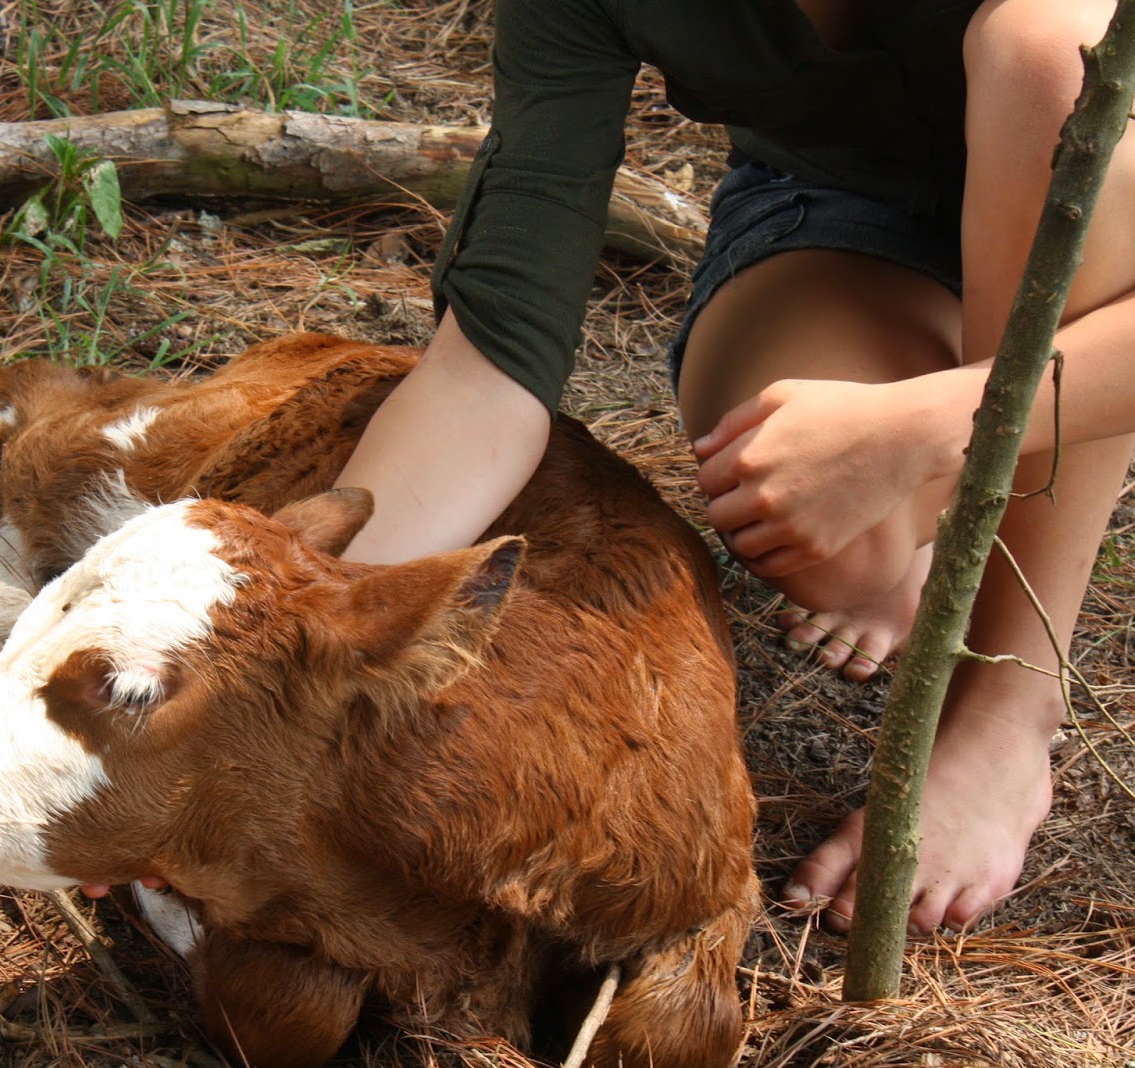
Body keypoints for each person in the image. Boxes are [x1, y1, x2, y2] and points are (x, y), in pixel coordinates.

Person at [334, 0, 1135, 936]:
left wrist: (924, 424)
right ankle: (926, 498)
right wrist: (310, 618)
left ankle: (1007, 706)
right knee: (830, 537)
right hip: (841, 219)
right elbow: (484, 372)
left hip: (1110, 208)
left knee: (1051, 57)